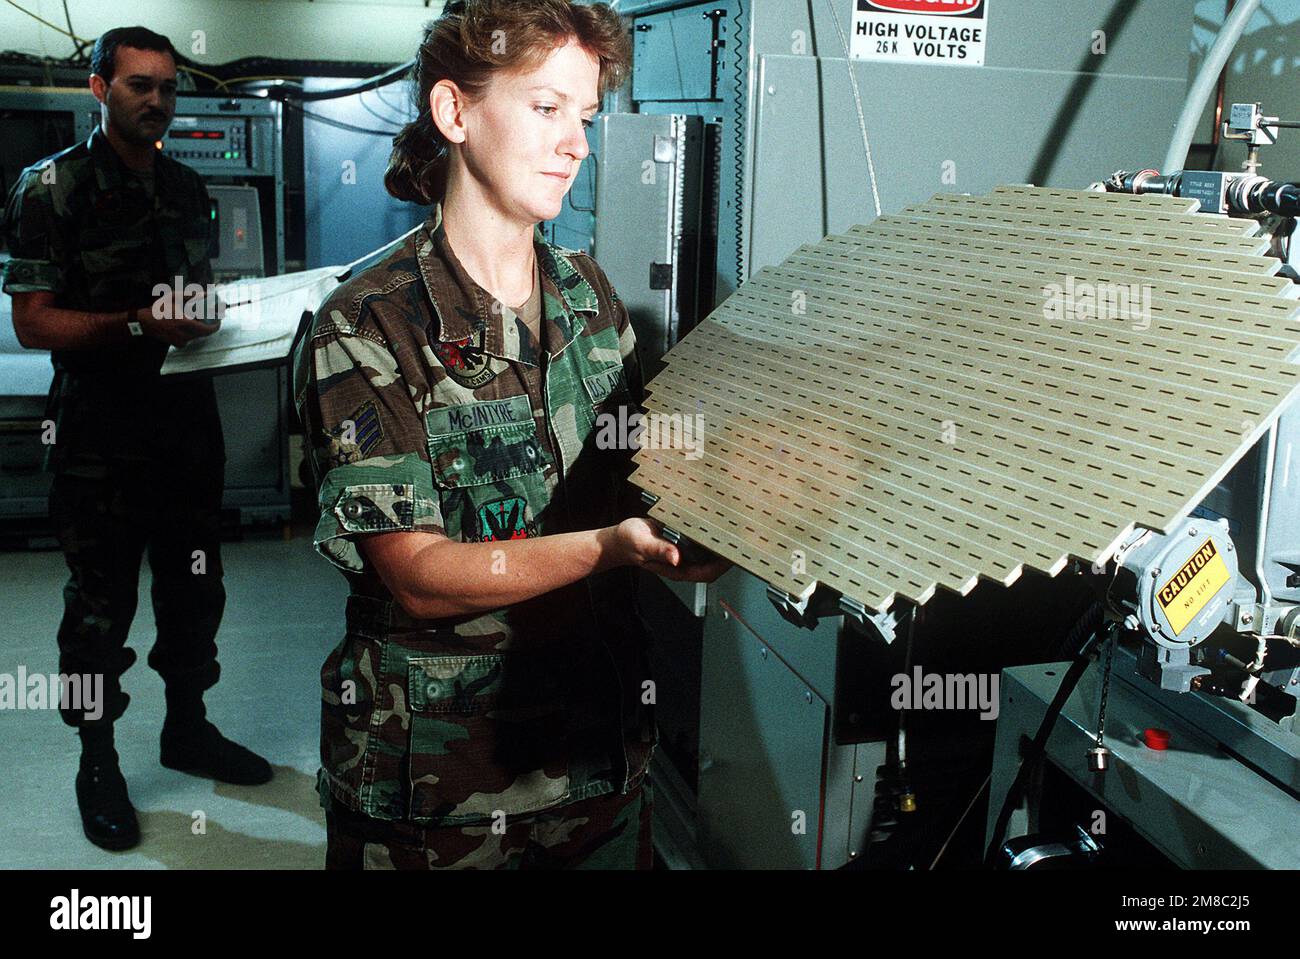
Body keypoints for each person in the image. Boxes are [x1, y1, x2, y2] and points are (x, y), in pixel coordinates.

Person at [294, 0, 727, 870]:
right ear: (455, 112)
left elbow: (645, 483)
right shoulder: (368, 323)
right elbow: (416, 575)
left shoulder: (590, 298)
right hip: (438, 797)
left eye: (587, 117)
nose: (579, 144)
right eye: (546, 108)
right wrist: (611, 547)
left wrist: (727, 516)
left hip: (597, 769)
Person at [1, 26, 271, 853]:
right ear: (99, 88)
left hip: (186, 431)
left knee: (195, 591)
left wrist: (235, 317)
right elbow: (32, 322)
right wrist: (135, 323)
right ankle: (96, 759)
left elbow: (195, 296)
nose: (155, 101)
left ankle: (185, 727)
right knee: (98, 608)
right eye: (137, 86)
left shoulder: (190, 189)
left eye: (166, 87)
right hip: (99, 436)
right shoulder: (51, 188)